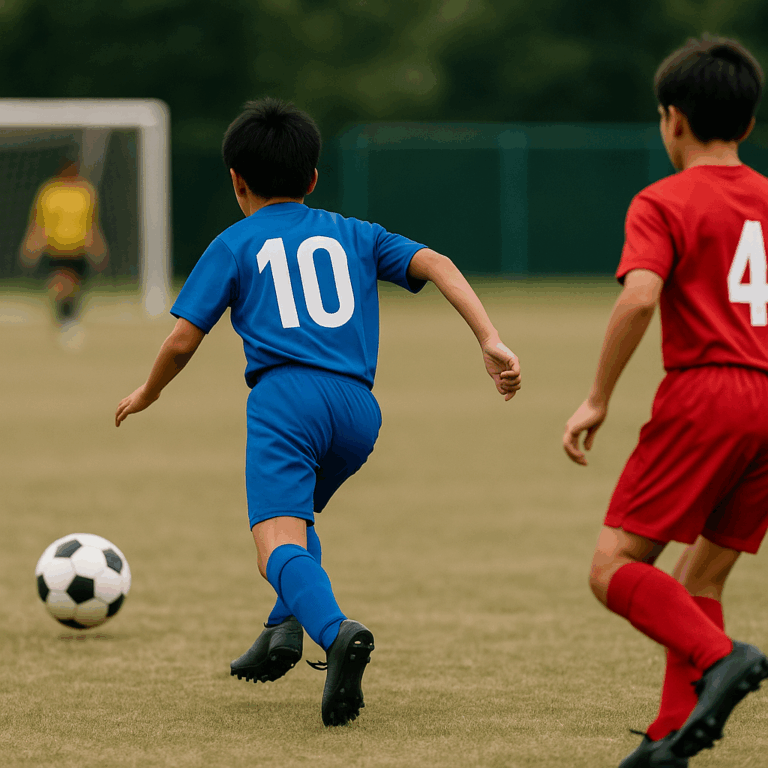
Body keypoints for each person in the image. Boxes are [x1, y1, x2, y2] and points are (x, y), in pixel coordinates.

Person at [114, 98, 521, 727]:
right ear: (312, 177)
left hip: (285, 402)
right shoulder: (355, 233)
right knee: (298, 529)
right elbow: (436, 263)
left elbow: (181, 339)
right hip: (359, 411)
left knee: (273, 543)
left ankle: (335, 634)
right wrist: (489, 338)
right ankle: (281, 631)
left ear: (235, 180)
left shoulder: (234, 241)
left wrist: (150, 391)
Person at [563, 35, 768, 767]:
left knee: (612, 566)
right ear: (746, 125)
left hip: (708, 390)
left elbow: (641, 296)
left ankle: (721, 659)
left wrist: (597, 397)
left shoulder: (663, 200)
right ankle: (671, 735)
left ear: (671, 119)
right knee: (702, 575)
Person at [20, 154, 107, 332]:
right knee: (61, 285)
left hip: (78, 248)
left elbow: (91, 223)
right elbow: (39, 222)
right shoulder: (50, 191)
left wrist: (97, 245)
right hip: (55, 247)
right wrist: (31, 244)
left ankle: (67, 319)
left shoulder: (85, 191)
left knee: (74, 288)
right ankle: (64, 320)